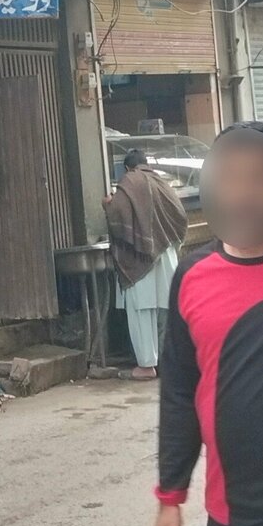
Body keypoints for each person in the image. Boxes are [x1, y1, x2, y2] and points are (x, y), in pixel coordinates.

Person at [154, 122, 263, 526]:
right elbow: (181, 393)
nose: (242, 194)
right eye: (229, 178)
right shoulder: (192, 276)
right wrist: (170, 495)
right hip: (236, 517)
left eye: (260, 178)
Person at [103, 148, 188, 381]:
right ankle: (169, 362)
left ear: (128, 167)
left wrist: (108, 205)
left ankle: (146, 365)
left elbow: (118, 212)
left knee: (141, 311)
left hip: (140, 259)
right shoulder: (162, 182)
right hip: (167, 252)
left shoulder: (130, 180)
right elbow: (181, 216)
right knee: (168, 310)